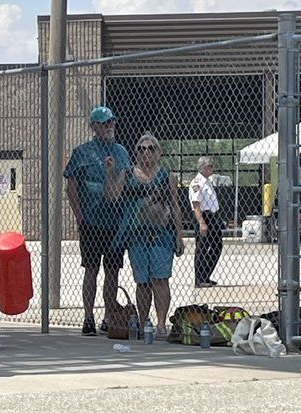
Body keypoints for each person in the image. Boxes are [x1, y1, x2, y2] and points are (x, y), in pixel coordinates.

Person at [106, 133, 184, 340]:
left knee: (160, 279)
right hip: (136, 234)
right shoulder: (128, 173)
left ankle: (160, 323)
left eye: (150, 148)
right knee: (142, 281)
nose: (146, 152)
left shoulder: (166, 175)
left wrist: (179, 234)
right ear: (136, 153)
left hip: (162, 234)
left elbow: (175, 206)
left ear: (158, 152)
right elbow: (113, 197)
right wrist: (110, 172)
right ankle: (142, 322)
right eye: (141, 148)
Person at [63, 106, 131, 336]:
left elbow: (127, 183)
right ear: (93, 126)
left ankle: (109, 315)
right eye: (103, 123)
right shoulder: (82, 152)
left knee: (113, 271)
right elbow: (71, 186)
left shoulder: (121, 152)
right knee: (91, 269)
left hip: (115, 222)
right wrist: (79, 217)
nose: (108, 126)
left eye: (111, 121)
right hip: (91, 220)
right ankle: (88, 316)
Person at [189, 156, 223, 287]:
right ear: (203, 167)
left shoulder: (207, 181)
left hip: (213, 216)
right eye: (210, 166)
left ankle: (206, 274)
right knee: (202, 248)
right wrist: (201, 223)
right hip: (203, 216)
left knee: (217, 245)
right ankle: (199, 279)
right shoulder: (197, 182)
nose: (212, 168)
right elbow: (196, 204)